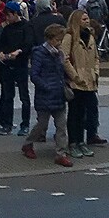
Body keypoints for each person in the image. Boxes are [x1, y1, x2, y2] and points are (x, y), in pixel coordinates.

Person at [22, 23, 72, 167]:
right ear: (50, 39)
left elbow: (60, 71)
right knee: (42, 124)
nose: (59, 43)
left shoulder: (58, 54)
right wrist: (47, 86)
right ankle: (28, 143)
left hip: (58, 93)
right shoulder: (39, 53)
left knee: (61, 125)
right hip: (46, 94)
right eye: (57, 40)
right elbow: (34, 75)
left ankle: (61, 153)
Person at [61, 8, 101, 158]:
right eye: (84, 19)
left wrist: (96, 72)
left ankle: (82, 141)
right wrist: (74, 75)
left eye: (87, 18)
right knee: (75, 113)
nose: (87, 21)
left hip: (90, 80)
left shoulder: (90, 36)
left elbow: (96, 57)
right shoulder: (69, 37)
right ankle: (73, 143)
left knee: (86, 112)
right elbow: (64, 58)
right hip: (76, 81)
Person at [0, 0, 32, 136]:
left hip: (20, 65)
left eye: (8, 15)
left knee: (24, 96)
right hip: (7, 66)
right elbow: (1, 44)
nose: (7, 18)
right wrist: (1, 53)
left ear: (16, 14)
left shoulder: (26, 26)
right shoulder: (7, 29)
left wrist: (19, 51)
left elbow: (28, 44)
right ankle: (6, 123)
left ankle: (25, 124)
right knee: (8, 96)